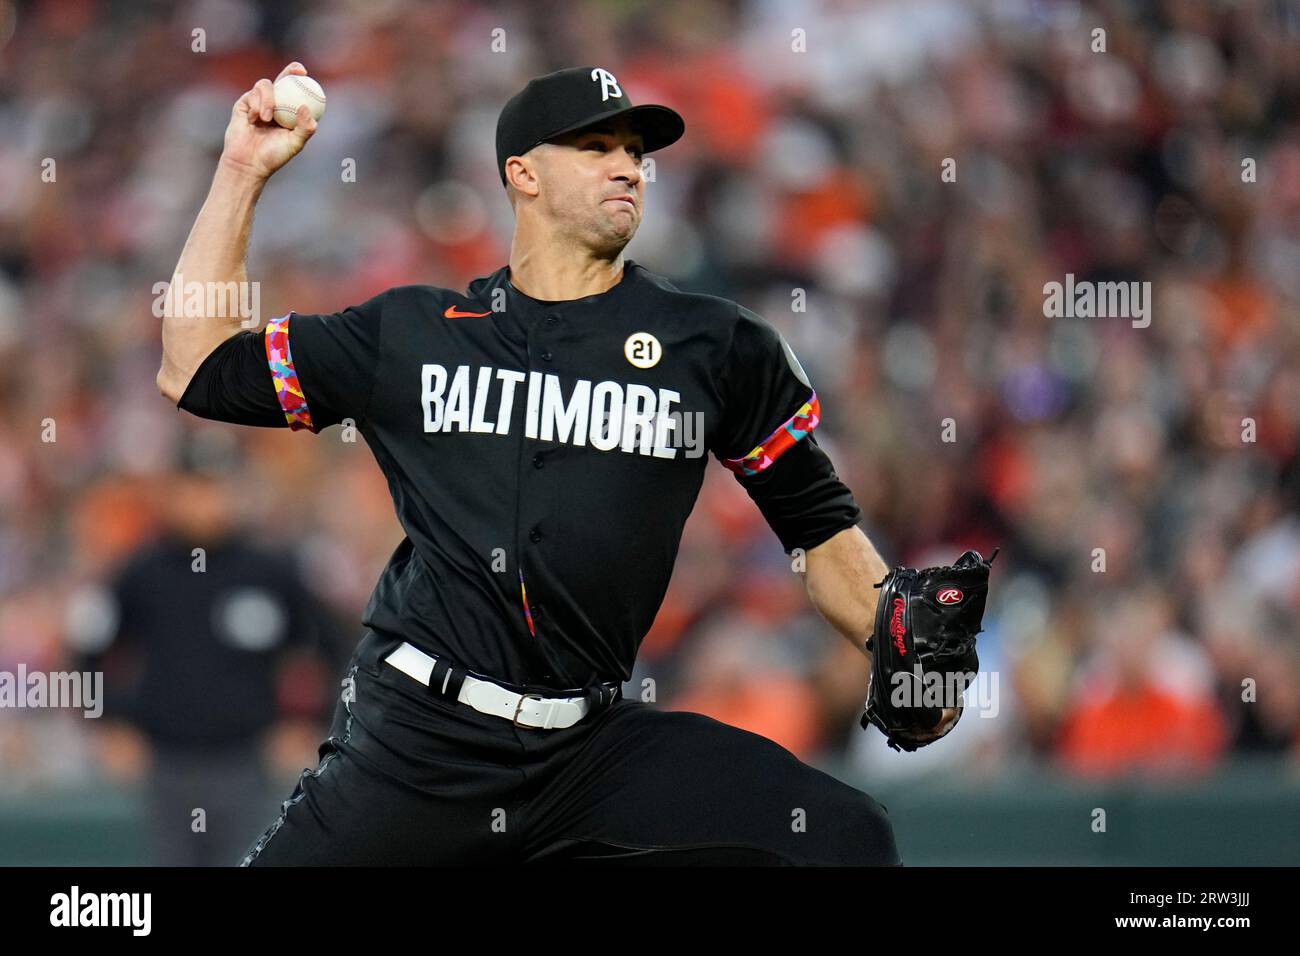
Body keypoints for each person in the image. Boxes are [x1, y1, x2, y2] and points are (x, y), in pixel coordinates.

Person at [157, 63, 956, 865]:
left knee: (845, 837)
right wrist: (241, 171)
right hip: (420, 750)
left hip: (591, 749)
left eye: (634, 150)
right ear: (523, 173)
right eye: (595, 145)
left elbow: (818, 528)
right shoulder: (416, 335)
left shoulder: (713, 347)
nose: (626, 165)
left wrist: (898, 641)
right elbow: (195, 365)